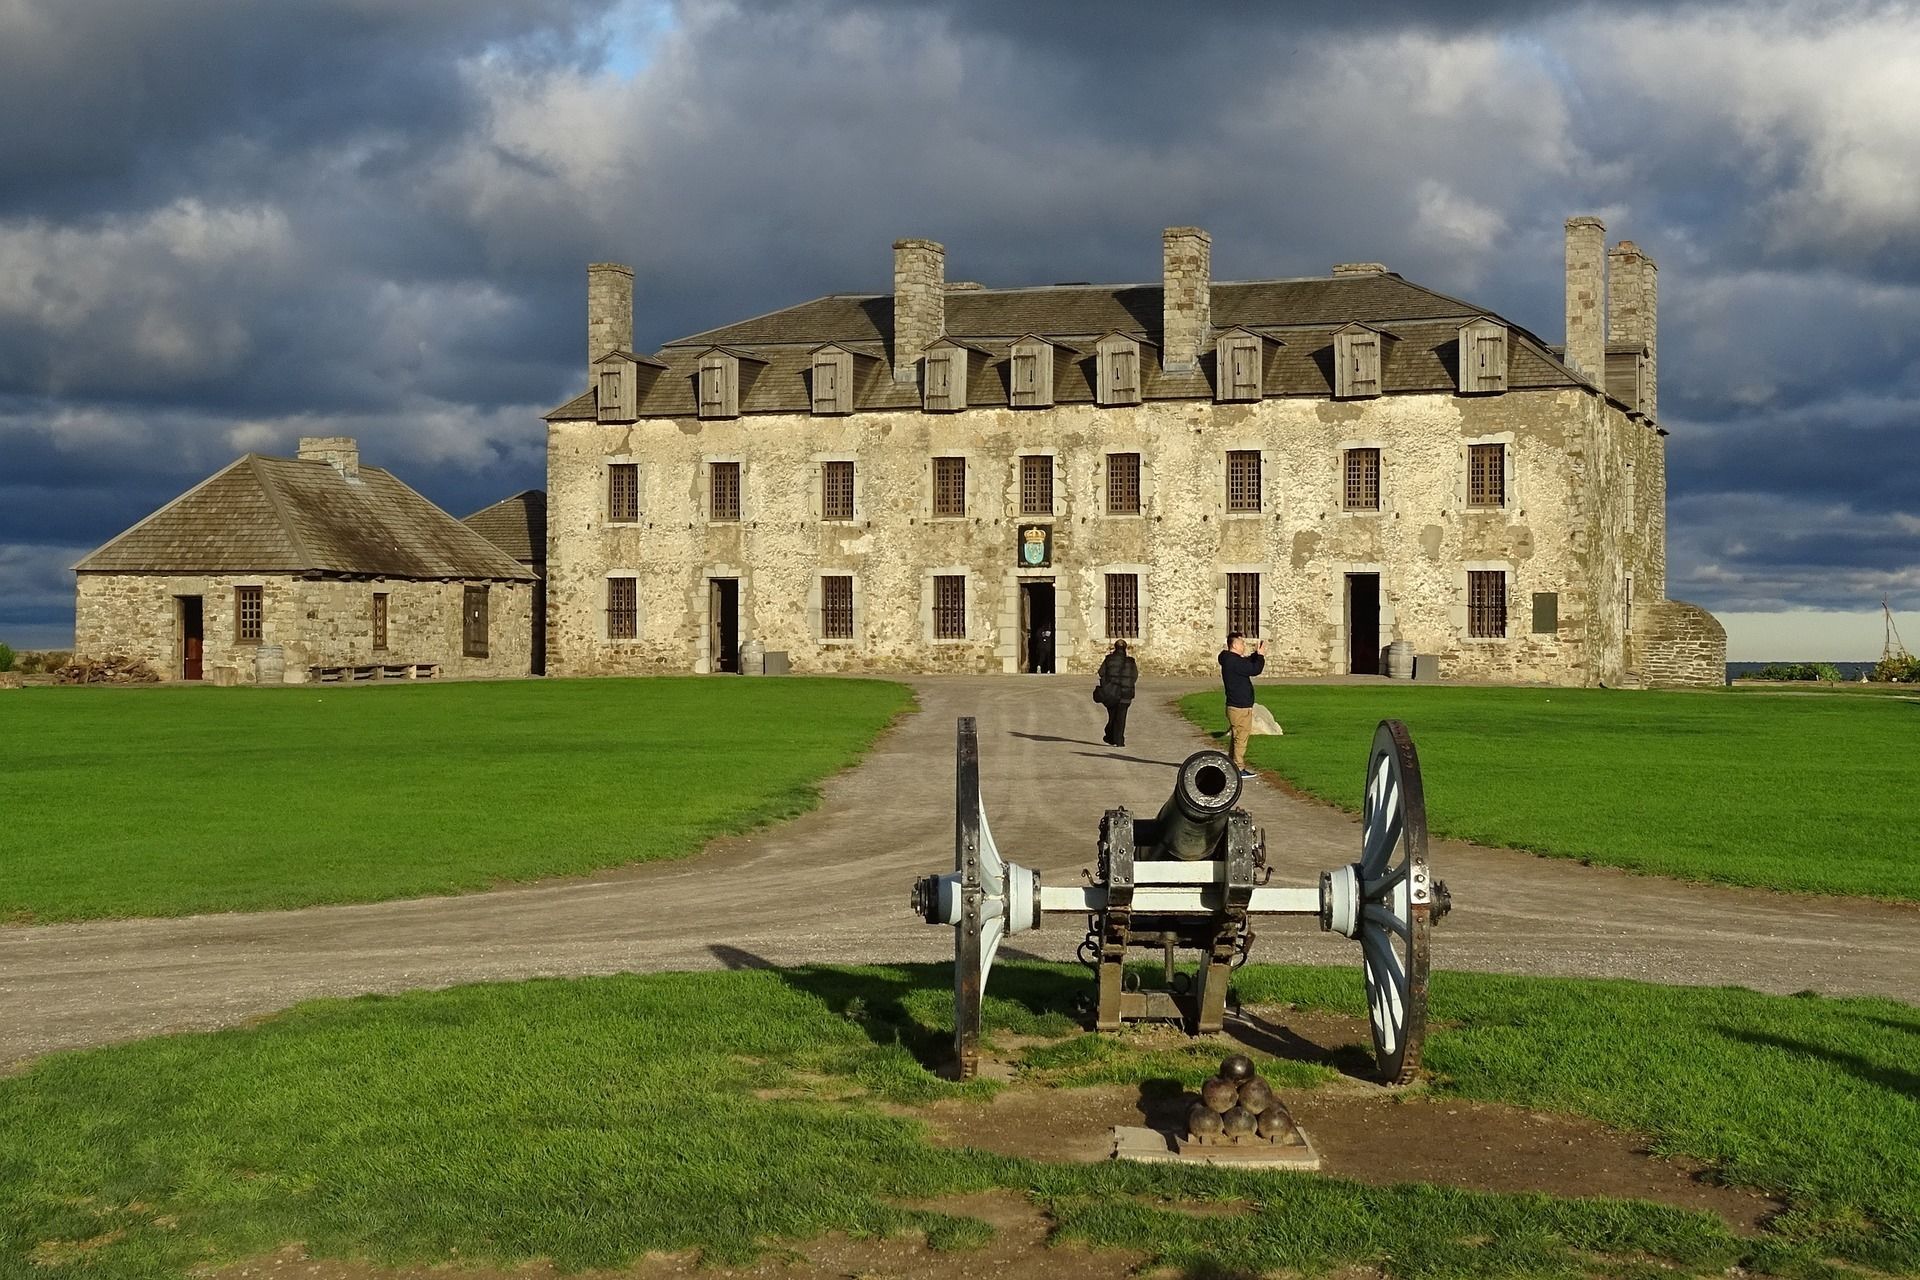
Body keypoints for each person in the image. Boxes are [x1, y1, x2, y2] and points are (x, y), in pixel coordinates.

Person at [1218, 631, 1267, 778]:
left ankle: (1231, 765)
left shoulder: (1230, 660)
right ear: (1234, 645)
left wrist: (1256, 655)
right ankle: (1238, 768)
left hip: (1236, 706)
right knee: (1241, 738)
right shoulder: (1233, 662)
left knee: (1237, 736)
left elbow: (1246, 663)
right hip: (1239, 707)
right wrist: (1260, 656)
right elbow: (1254, 669)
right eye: (1241, 643)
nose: (1243, 645)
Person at [1096, 640, 1138, 747]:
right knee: (1121, 717)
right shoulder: (1131, 662)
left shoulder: (1109, 659)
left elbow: (1101, 672)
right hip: (1126, 693)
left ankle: (1111, 736)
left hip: (1112, 693)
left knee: (1112, 716)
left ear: (1115, 647)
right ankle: (1119, 740)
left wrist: (1108, 682)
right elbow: (1134, 676)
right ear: (1125, 648)